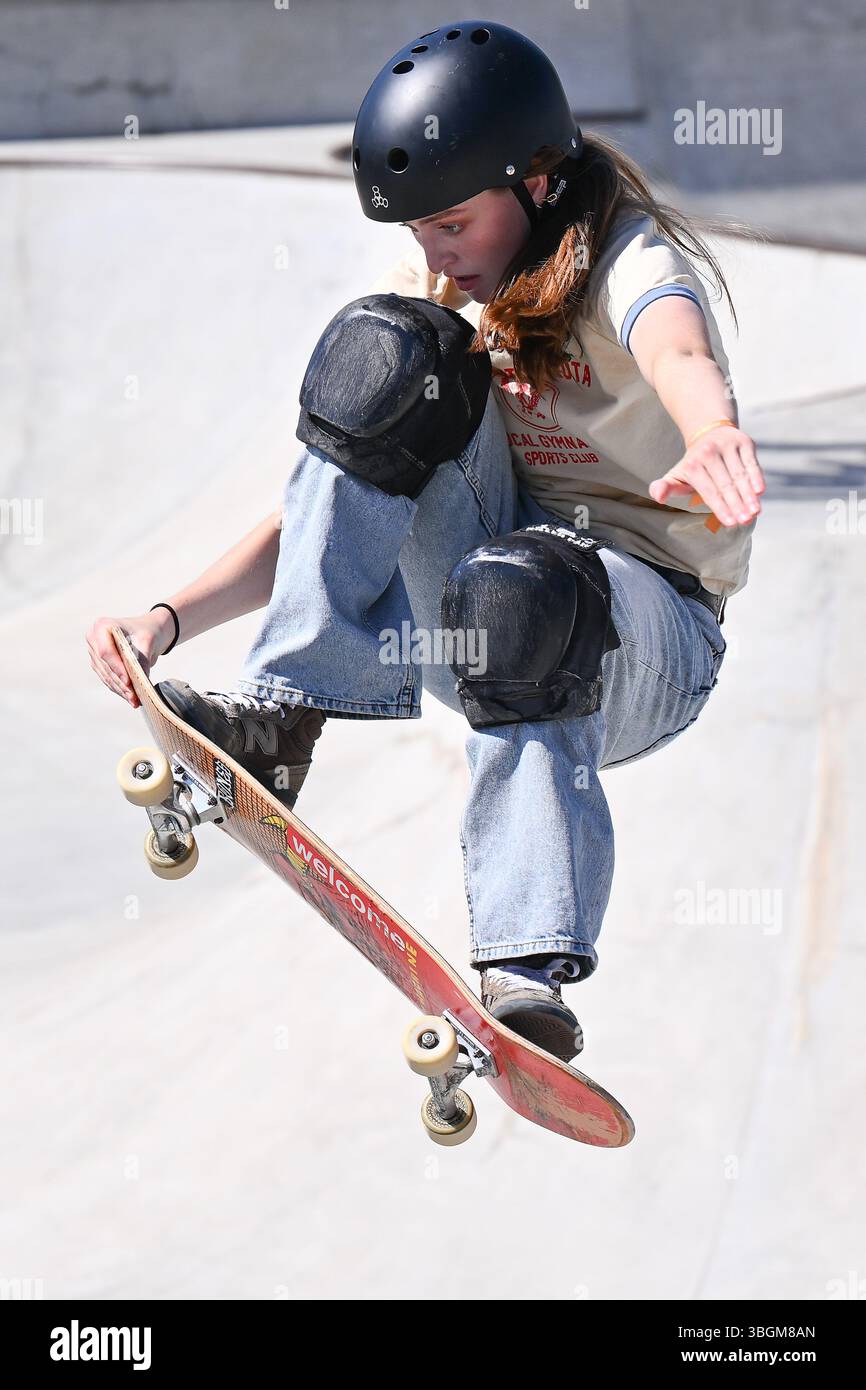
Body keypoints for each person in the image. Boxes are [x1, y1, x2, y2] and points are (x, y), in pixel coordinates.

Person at [87, 20, 763, 1061]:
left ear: (536, 183)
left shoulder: (628, 255)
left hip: (641, 642)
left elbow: (671, 343)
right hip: (480, 609)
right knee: (386, 355)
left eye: (451, 223)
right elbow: (326, 500)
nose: (435, 254)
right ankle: (281, 716)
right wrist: (171, 616)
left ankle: (526, 962)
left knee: (526, 584)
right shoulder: (450, 294)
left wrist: (710, 426)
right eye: (418, 232)